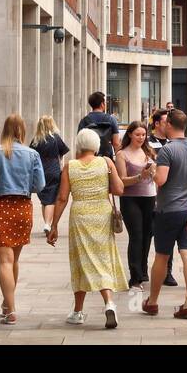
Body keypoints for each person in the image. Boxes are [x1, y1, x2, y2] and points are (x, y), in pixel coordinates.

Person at [47, 128, 128, 327]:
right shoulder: (106, 162)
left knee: (80, 261)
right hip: (102, 212)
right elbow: (119, 189)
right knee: (102, 260)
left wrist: (54, 225)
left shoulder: (70, 166)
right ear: (96, 145)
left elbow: (63, 197)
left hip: (80, 215)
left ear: (78, 145)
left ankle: (78, 311)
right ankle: (108, 303)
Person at [0, 114, 46, 325]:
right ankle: (7, 304)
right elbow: (40, 185)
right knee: (14, 260)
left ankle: (11, 310)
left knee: (4, 262)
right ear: (22, 130)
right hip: (22, 209)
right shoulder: (32, 154)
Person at [143, 110, 187, 319]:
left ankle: (153, 301)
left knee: (162, 255)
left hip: (168, 210)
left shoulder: (167, 150)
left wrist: (151, 170)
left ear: (169, 126)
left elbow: (161, 180)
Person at [115, 121, 157, 289]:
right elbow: (121, 181)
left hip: (149, 196)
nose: (141, 137)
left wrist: (152, 173)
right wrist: (140, 176)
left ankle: (143, 270)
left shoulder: (149, 152)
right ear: (130, 134)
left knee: (148, 235)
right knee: (136, 235)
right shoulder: (122, 155)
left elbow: (155, 176)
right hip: (130, 198)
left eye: (143, 134)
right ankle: (135, 276)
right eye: (138, 134)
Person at [30, 115, 69, 234]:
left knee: (45, 200)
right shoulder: (56, 138)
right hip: (54, 171)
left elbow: (31, 156)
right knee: (51, 199)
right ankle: (47, 224)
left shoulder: (35, 140)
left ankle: (47, 223)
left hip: (40, 171)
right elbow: (63, 152)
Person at [78, 90, 121, 158]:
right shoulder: (111, 119)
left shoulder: (84, 121)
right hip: (106, 157)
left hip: (89, 157)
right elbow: (116, 143)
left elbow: (80, 142)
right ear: (102, 104)